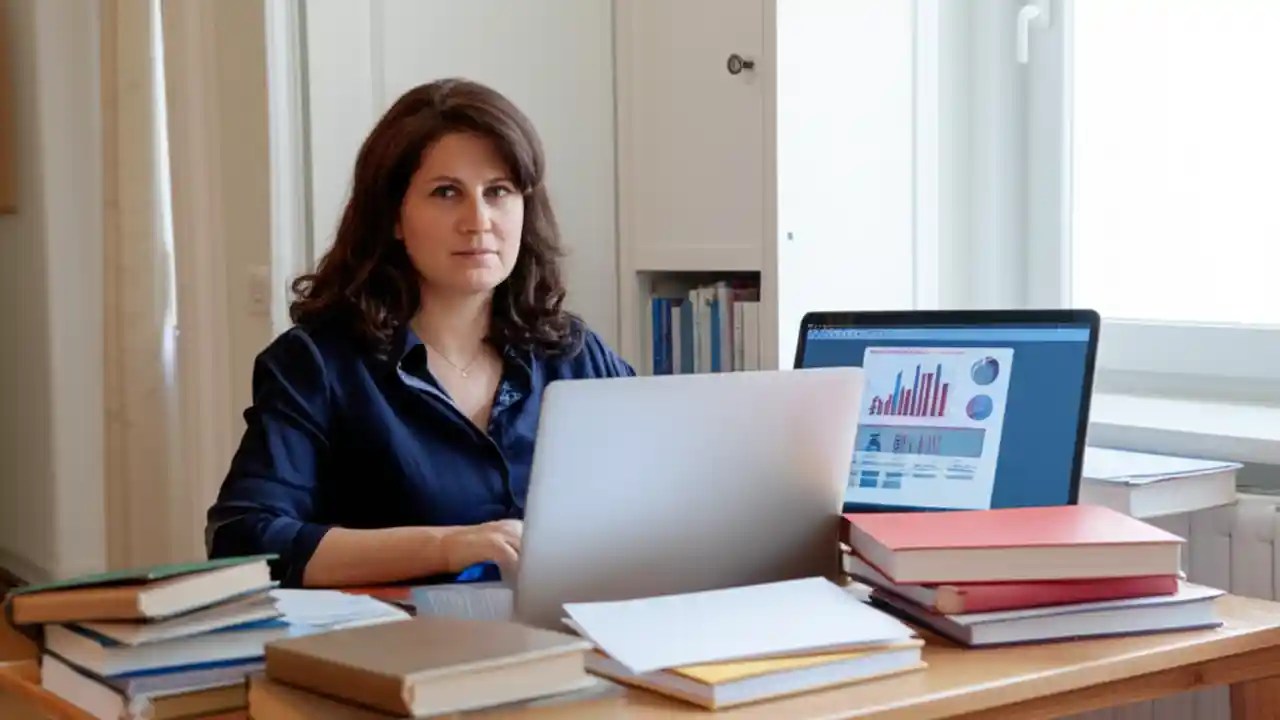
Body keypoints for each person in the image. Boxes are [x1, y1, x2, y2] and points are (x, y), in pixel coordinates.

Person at [205, 78, 634, 588]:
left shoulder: (573, 355)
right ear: (394, 218)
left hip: (571, 638)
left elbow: (664, 495)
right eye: (446, 193)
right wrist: (445, 546)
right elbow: (246, 539)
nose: (479, 221)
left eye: (498, 192)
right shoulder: (317, 365)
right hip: (398, 648)